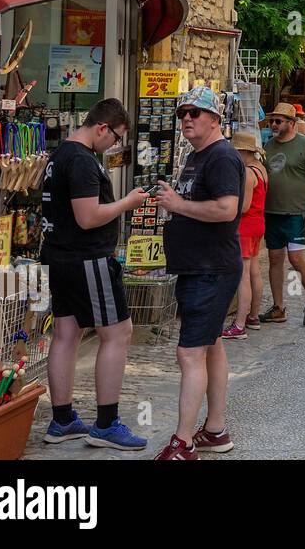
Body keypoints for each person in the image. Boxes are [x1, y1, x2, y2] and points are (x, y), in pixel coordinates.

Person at [40, 98, 150, 450]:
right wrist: (127, 203)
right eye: (116, 138)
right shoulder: (83, 161)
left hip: (60, 256)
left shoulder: (59, 157)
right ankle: (106, 423)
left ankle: (62, 419)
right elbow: (88, 217)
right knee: (118, 332)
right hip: (87, 259)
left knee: (67, 332)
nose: (114, 146)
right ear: (103, 128)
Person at [154, 87, 246, 459]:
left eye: (194, 112)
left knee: (188, 354)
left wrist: (178, 204)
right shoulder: (198, 155)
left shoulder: (222, 157)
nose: (186, 119)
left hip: (212, 269)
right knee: (210, 347)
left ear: (214, 119)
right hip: (199, 267)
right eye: (181, 114)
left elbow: (227, 209)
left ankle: (182, 442)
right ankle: (215, 430)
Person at [259, 102, 305, 327]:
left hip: (297, 212)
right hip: (272, 211)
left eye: (278, 121)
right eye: (272, 121)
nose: (273, 125)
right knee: (274, 259)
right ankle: (278, 307)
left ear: (291, 123)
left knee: (296, 259)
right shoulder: (269, 146)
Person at [223, 130, 267, 340]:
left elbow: (244, 206)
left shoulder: (248, 173)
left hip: (246, 226)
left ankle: (239, 324)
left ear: (242, 151)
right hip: (258, 223)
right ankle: (253, 316)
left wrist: (226, 207)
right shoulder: (261, 169)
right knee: (254, 271)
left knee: (243, 276)